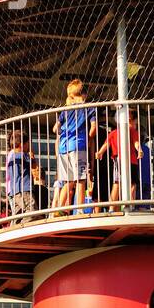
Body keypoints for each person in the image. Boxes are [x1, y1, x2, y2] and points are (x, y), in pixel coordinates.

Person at [53, 78, 98, 213]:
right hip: (78, 146)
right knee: (80, 180)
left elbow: (55, 129)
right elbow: (93, 128)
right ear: (83, 94)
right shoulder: (89, 108)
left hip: (63, 147)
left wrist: (65, 134)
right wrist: (88, 138)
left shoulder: (66, 110)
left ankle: (59, 210)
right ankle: (79, 210)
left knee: (68, 181)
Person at [93, 114, 141, 211]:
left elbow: (107, 143)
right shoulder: (131, 131)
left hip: (119, 159)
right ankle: (130, 206)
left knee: (118, 183)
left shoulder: (114, 132)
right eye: (134, 123)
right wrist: (139, 150)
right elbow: (136, 142)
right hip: (129, 160)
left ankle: (112, 208)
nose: (135, 125)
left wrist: (100, 152)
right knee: (130, 184)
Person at [4, 129, 40, 224]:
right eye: (28, 144)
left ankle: (14, 228)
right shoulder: (23, 155)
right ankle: (26, 227)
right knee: (32, 211)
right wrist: (32, 155)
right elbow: (34, 166)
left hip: (14, 192)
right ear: (22, 144)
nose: (29, 147)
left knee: (18, 215)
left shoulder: (11, 156)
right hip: (24, 190)